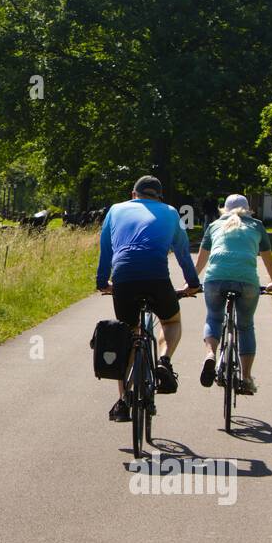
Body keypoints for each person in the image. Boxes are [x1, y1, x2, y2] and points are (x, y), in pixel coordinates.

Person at [96, 175, 201, 421]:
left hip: (124, 279)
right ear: (159, 197)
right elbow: (183, 252)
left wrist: (103, 282)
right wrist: (192, 284)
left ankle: (122, 402)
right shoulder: (171, 212)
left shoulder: (115, 210)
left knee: (128, 335)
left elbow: (106, 249)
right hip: (157, 279)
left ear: (134, 194)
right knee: (171, 321)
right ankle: (164, 361)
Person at [193, 194, 272, 395]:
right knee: (245, 326)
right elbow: (268, 258)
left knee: (214, 317)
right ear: (249, 210)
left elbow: (201, 260)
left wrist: (190, 283)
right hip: (247, 281)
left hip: (216, 279)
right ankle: (245, 378)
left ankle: (210, 355)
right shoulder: (257, 226)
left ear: (224, 210)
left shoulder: (214, 226)